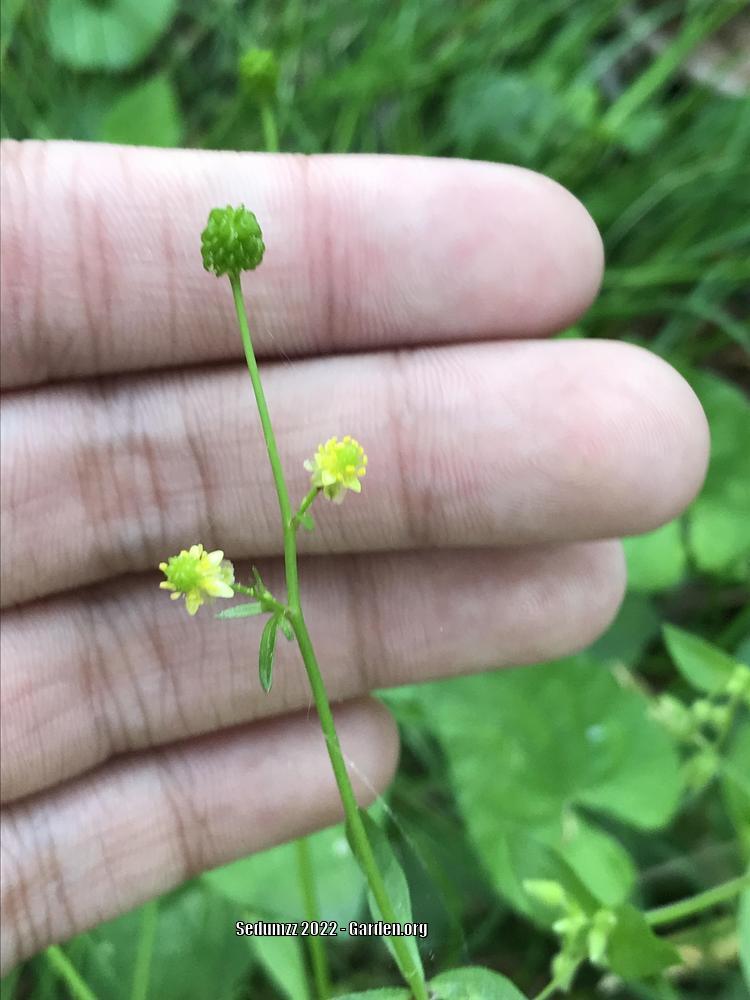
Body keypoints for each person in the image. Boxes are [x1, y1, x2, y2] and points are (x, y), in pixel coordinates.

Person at [0, 141, 709, 970]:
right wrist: (230, 582)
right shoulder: (231, 561)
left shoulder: (312, 484)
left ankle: (407, 963)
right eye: (336, 470)